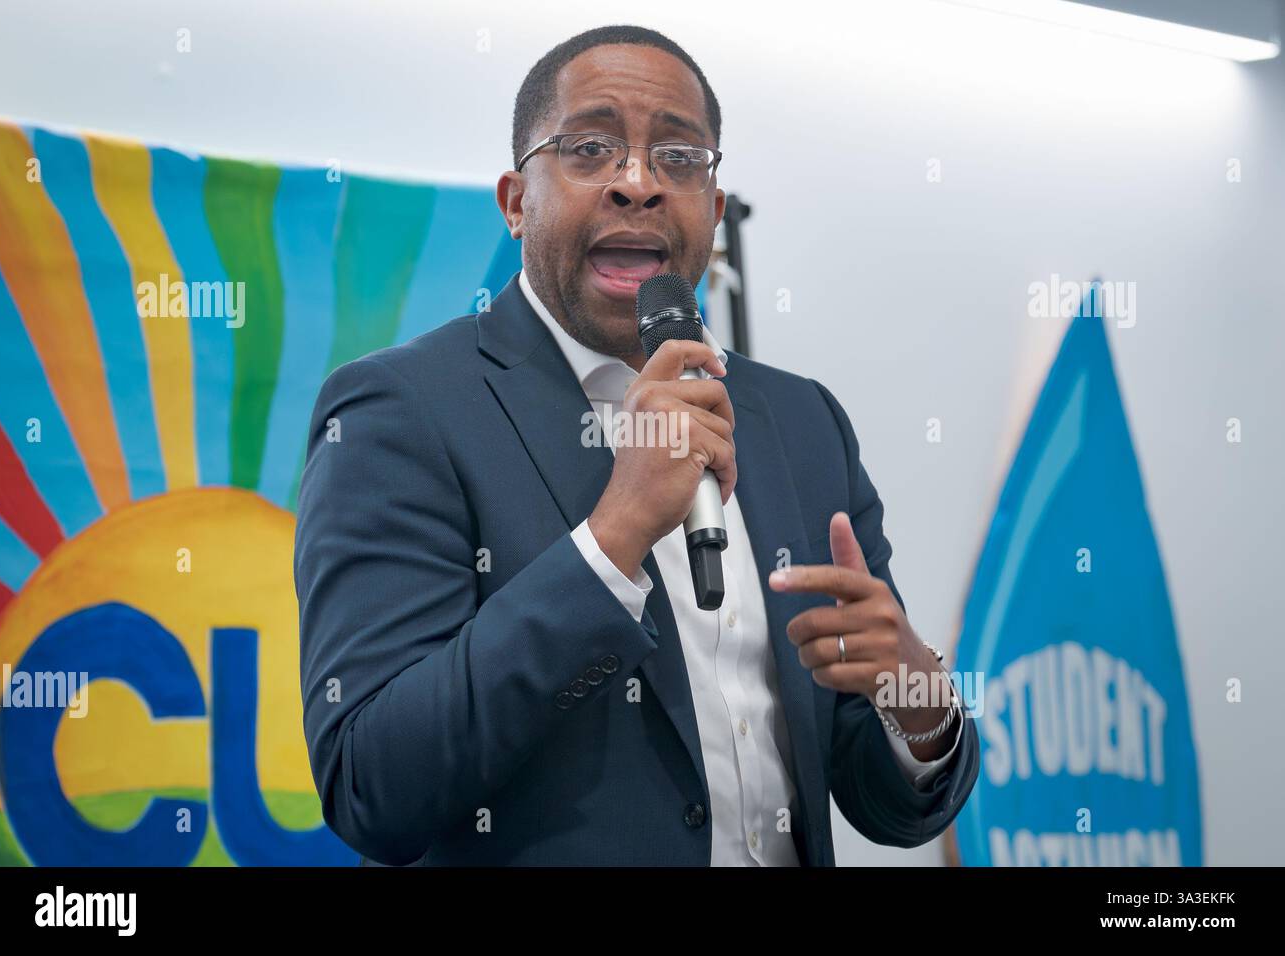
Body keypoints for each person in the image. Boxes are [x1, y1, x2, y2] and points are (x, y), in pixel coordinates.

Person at [294, 24, 978, 867]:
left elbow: (884, 806)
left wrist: (916, 698)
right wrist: (611, 539)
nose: (639, 184)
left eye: (680, 159)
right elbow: (372, 786)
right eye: (590, 148)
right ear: (516, 202)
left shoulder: (801, 423)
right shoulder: (399, 412)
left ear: (715, 214)